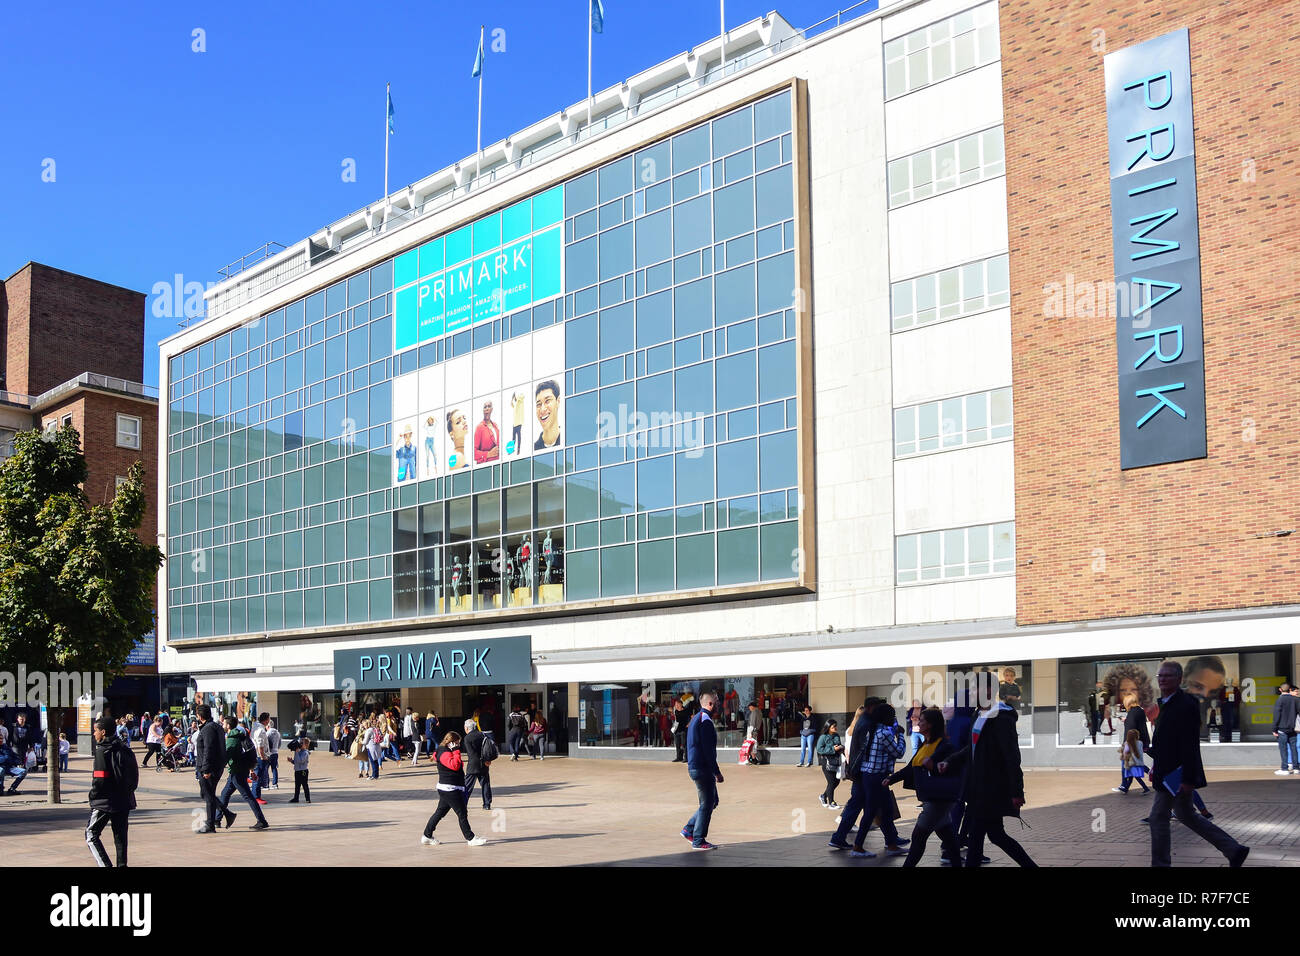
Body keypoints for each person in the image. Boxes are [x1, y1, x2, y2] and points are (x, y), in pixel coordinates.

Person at [1147, 660, 1248, 867]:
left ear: (1179, 679)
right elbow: (1165, 740)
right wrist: (1155, 762)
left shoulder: (1185, 705)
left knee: (1158, 818)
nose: (1163, 679)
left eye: (1168, 676)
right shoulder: (1166, 702)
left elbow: (1189, 745)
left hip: (1175, 774)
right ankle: (1234, 850)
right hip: (1166, 771)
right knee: (1186, 815)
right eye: (1160, 676)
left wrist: (1188, 778)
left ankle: (1160, 864)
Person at [938, 676, 1036, 867]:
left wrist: (1017, 791)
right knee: (994, 835)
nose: (972, 694)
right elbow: (972, 748)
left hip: (991, 788)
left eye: (976, 689)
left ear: (990, 691)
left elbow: (1011, 756)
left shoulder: (1001, 716)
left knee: (978, 835)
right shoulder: (977, 715)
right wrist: (949, 761)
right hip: (976, 787)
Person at [828, 702, 906, 858]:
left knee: (886, 809)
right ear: (886, 717)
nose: (895, 719)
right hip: (876, 776)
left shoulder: (872, 729)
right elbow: (899, 752)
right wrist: (901, 735)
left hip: (870, 775)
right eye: (893, 716)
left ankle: (891, 843)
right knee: (870, 811)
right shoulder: (884, 733)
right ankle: (858, 846)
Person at [887, 707, 961, 867]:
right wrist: (891, 779)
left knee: (919, 836)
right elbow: (910, 767)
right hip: (931, 797)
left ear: (930, 725)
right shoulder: (925, 743)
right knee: (947, 835)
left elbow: (949, 768)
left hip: (939, 799)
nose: (918, 723)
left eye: (921, 720)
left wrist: (933, 766)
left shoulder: (944, 745)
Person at [85, 716, 138, 868]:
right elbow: (134, 775)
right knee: (120, 837)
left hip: (105, 801)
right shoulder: (124, 747)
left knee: (91, 834)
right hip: (124, 799)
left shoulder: (102, 750)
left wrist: (93, 796)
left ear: (103, 732)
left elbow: (100, 779)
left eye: (95, 731)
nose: (93, 734)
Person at [421, 732, 488, 847]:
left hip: (448, 788)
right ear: (451, 742)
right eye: (457, 742)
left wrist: (455, 751)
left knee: (440, 813)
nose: (459, 745)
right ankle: (471, 838)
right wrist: (456, 751)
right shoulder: (444, 752)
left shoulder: (444, 751)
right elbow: (455, 765)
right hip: (450, 789)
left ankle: (427, 836)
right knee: (462, 813)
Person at [680, 691, 723, 850]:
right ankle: (698, 839)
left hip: (696, 767)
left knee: (712, 801)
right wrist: (716, 772)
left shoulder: (696, 719)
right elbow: (708, 750)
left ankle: (689, 829)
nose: (719, 705)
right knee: (707, 804)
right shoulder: (705, 721)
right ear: (710, 704)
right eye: (717, 702)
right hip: (702, 768)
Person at [217, 715, 269, 830]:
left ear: (228, 726)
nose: (223, 725)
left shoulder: (232, 739)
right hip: (239, 770)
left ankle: (262, 820)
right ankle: (217, 818)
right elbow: (245, 754)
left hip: (237, 772)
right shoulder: (240, 735)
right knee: (224, 793)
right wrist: (251, 770)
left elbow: (226, 756)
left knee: (248, 796)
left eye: (224, 723)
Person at [194, 705, 226, 832]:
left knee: (208, 796)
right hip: (214, 766)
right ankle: (226, 814)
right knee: (206, 794)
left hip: (208, 767)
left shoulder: (208, 729)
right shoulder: (215, 726)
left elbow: (209, 749)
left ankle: (210, 824)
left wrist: (206, 769)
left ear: (200, 716)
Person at [1114, 690, 1152, 793]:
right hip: (1139, 742)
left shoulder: (1132, 712)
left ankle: (1124, 785)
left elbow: (1131, 728)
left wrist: (1126, 743)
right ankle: (1125, 786)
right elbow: (1139, 726)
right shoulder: (1139, 711)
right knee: (1135, 764)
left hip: (1131, 743)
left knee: (1127, 764)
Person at [462, 718, 494, 811]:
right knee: (485, 784)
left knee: (467, 785)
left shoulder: (467, 738)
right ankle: (487, 804)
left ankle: (463, 803)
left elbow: (470, 753)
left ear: (467, 728)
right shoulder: (482, 734)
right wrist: (487, 759)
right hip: (484, 763)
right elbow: (488, 748)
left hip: (473, 764)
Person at [815, 719, 844, 809]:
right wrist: (832, 749)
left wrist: (840, 747)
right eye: (833, 727)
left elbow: (840, 745)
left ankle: (823, 796)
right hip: (826, 761)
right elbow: (819, 749)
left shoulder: (836, 736)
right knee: (831, 782)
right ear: (828, 728)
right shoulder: (823, 737)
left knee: (836, 781)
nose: (835, 728)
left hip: (835, 761)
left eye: (836, 726)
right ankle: (832, 802)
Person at [1271, 682, 1300, 775]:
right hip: (1292, 728)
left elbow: (1277, 715)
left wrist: (1274, 729)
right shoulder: (1296, 699)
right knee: (1294, 748)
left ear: (1280, 689)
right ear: (1289, 689)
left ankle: (1284, 768)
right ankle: (1296, 768)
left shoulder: (1279, 700)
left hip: (1282, 728)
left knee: (1283, 749)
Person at [1114, 728, 1151, 794]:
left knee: (1136, 777)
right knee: (1131, 777)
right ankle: (1126, 789)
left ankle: (1146, 789)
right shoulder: (1140, 743)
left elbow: (1125, 753)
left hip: (1132, 763)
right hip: (1139, 762)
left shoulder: (1127, 743)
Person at [533, 380, 562, 450]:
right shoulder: (534, 449)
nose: (542, 409)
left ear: (558, 401)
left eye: (547, 401)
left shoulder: (569, 440)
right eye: (539, 404)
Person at [250, 713, 271, 803]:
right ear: (266, 720)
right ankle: (256, 796)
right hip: (260, 757)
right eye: (269, 719)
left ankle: (255, 795)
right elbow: (260, 745)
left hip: (256, 755)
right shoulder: (261, 730)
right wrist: (263, 757)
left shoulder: (255, 727)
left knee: (257, 776)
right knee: (258, 777)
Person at [288, 733, 312, 803]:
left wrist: (297, 752)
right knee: (297, 785)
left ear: (306, 746)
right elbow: (296, 761)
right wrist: (291, 761)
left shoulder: (305, 753)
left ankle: (308, 799)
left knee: (304, 785)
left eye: (302, 743)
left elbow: (301, 761)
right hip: (297, 771)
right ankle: (296, 798)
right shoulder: (298, 751)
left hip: (303, 771)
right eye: (300, 743)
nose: (300, 744)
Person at [266, 718, 282, 790]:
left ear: (268, 726)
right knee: (274, 768)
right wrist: (276, 748)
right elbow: (279, 744)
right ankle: (275, 784)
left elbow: (266, 743)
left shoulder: (267, 733)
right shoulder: (278, 733)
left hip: (269, 753)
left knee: (266, 769)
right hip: (275, 752)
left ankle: (266, 784)